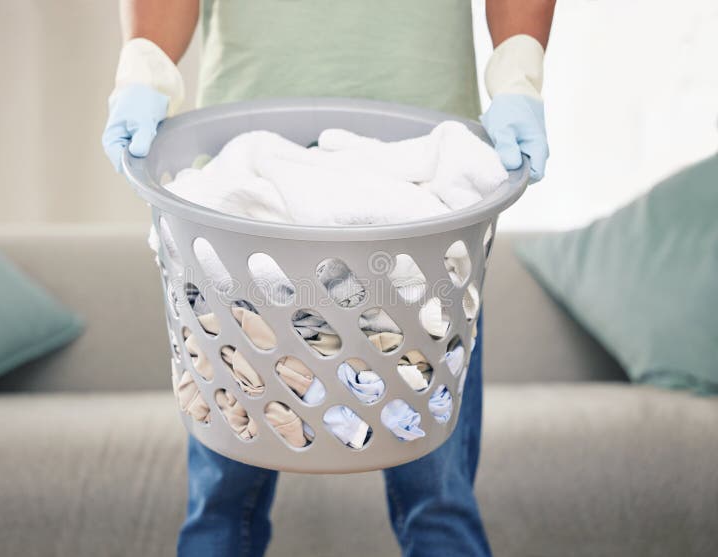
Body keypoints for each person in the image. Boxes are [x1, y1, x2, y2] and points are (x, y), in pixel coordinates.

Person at [102, 2, 554, 556]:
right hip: (238, 202)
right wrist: (146, 64)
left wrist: (518, 70)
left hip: (424, 205)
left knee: (439, 499)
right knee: (222, 501)